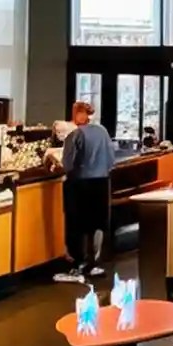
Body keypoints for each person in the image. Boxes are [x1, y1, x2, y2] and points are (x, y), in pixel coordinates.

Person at [57, 101, 115, 283]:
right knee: (97, 223)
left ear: (80, 114)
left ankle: (78, 264)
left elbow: (67, 164)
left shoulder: (75, 135)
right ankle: (94, 262)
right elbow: (111, 160)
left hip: (80, 184)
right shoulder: (103, 132)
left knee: (77, 224)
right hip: (101, 182)